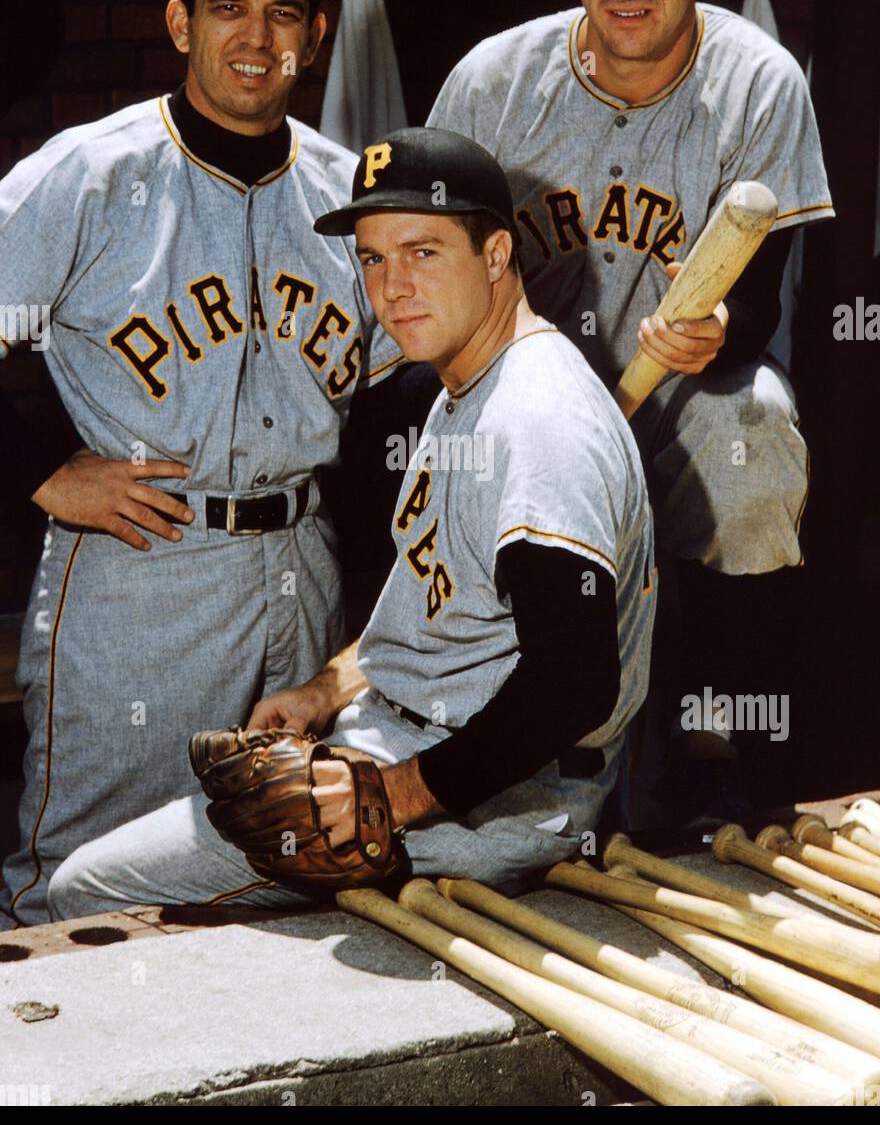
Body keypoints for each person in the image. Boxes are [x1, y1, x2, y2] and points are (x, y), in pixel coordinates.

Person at [47, 127, 656, 918]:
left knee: (84, 890)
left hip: (499, 802)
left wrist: (390, 795)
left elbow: (572, 686)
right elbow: (450, 608)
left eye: (423, 251)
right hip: (401, 740)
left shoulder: (536, 418)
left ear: (498, 254)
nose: (392, 286)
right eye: (373, 258)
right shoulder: (466, 381)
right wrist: (326, 689)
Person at [0, 0, 405, 926]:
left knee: (276, 872)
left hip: (296, 568)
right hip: (146, 568)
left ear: (317, 38)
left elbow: (426, 364)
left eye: (282, 14)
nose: (255, 38)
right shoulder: (91, 174)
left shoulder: (347, 191)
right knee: (81, 887)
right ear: (182, 22)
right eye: (229, 6)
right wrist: (41, 469)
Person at [426, 0, 833, 821]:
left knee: (752, 433)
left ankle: (716, 757)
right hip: (526, 388)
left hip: (676, 384)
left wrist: (718, 329)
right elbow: (433, 276)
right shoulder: (493, 80)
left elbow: (760, 305)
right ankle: (502, 768)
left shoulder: (759, 80)